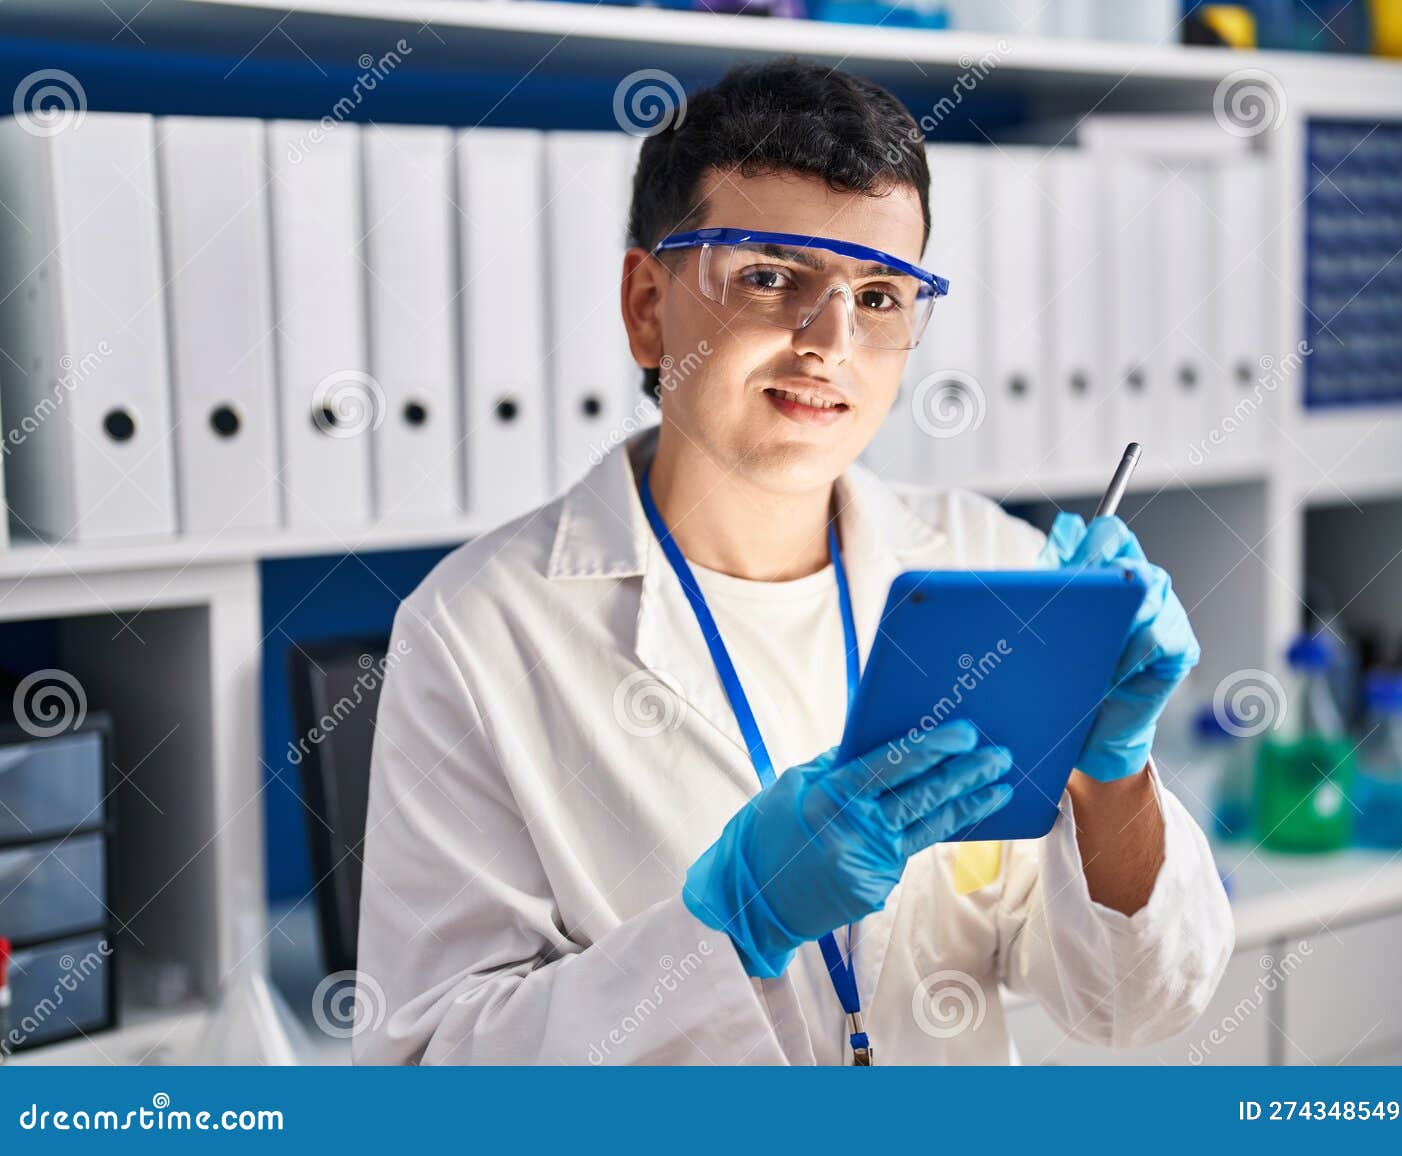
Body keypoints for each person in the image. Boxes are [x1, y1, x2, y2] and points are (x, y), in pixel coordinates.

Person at [355, 58, 1233, 1065]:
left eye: (881, 294)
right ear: (648, 303)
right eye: (770, 277)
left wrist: (1109, 776)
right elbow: (425, 1073)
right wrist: (733, 925)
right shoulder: (476, 631)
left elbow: (1135, 1009)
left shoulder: (997, 567)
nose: (830, 341)